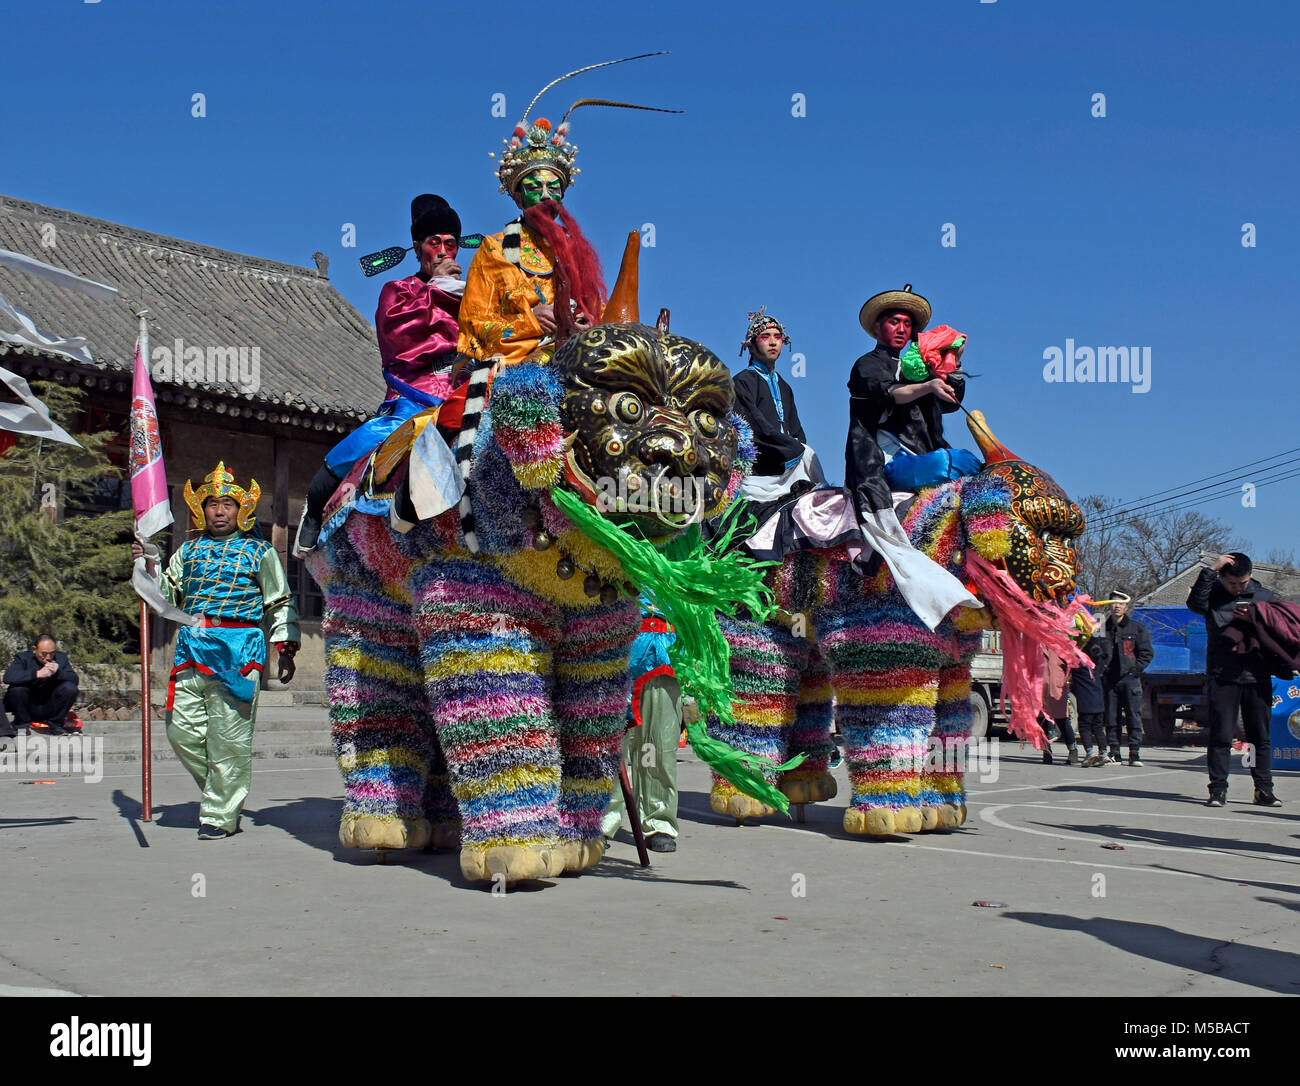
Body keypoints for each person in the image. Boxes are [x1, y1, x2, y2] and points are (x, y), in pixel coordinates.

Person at [132, 462, 300, 839]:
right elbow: (165, 597)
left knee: (229, 737)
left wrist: (285, 648)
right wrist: (148, 563)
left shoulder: (259, 552)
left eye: (227, 504)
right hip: (192, 647)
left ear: (242, 511)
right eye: (212, 504)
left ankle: (220, 814)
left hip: (239, 652)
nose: (219, 511)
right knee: (181, 732)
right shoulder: (188, 552)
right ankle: (223, 790)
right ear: (199, 509)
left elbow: (280, 601)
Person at [295, 194, 466, 554]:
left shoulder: (473, 294)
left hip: (463, 390)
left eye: (451, 244)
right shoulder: (399, 291)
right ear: (418, 246)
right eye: (435, 243)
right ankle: (315, 504)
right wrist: (437, 291)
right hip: (415, 397)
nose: (444, 251)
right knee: (377, 435)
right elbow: (400, 339)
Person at [841, 285, 984, 631]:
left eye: (907, 323)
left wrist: (951, 361)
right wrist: (927, 386)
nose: (901, 328)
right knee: (956, 462)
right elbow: (890, 394)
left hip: (923, 455)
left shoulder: (920, 368)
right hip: (887, 465)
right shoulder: (867, 365)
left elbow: (949, 400)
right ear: (878, 327)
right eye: (893, 321)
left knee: (980, 480)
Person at [1187, 552, 1282, 807]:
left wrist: (1256, 619)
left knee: (1258, 736)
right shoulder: (1213, 595)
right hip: (1222, 675)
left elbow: (1283, 628)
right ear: (1221, 577)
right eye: (1232, 583)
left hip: (1256, 675)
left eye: (1243, 583)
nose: (1238, 588)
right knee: (1221, 734)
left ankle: (1263, 789)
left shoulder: (1265, 597)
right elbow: (1194, 604)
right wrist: (1209, 570)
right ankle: (1218, 789)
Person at [602, 603, 681, 852]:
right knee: (609, 744)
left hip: (667, 650)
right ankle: (602, 821)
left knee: (657, 745)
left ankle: (658, 821)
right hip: (618, 647)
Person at [1101, 591, 1153, 766]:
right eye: (1113, 603)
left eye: (1121, 603)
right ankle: (1114, 751)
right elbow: (1093, 650)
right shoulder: (1101, 627)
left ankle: (1134, 753)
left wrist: (1135, 670)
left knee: (1133, 716)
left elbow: (1146, 653)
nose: (1116, 606)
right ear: (1109, 605)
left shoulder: (1136, 628)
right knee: (1111, 717)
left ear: (1126, 607)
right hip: (1109, 680)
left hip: (1130, 680)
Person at [3, 635, 80, 736]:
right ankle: (21, 724)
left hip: (50, 705)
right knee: (17, 689)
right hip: (27, 705)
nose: (48, 657)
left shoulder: (61, 658)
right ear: (34, 649)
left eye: (52, 653)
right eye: (44, 654)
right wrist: (36, 674)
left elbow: (74, 679)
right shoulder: (23, 658)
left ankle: (56, 724)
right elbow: (8, 677)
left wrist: (58, 672)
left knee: (70, 688)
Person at [1075, 630, 1113, 766]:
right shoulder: (1098, 663)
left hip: (1086, 702)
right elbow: (1105, 654)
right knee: (1098, 727)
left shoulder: (1077, 663)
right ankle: (1103, 753)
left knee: (1084, 726)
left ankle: (1090, 752)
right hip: (1098, 701)